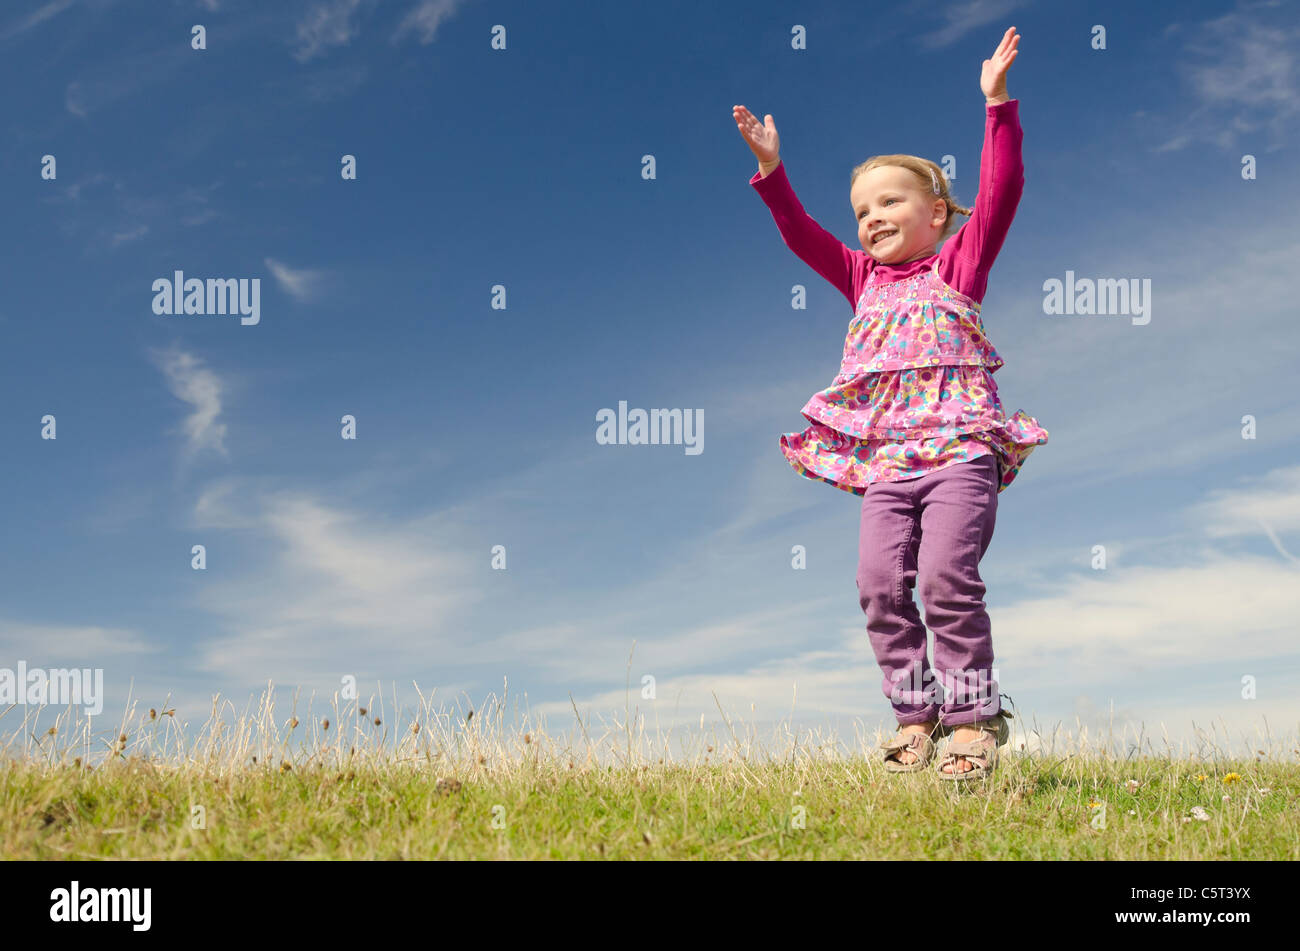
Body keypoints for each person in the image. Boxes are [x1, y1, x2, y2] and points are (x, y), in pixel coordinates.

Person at [732, 26, 1045, 781]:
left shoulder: (959, 266)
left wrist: (995, 105)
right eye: (862, 209)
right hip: (887, 466)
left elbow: (1001, 192)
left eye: (890, 201)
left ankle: (973, 721)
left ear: (936, 212)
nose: (870, 218)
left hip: (959, 453)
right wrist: (773, 173)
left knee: (945, 580)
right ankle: (915, 714)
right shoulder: (861, 279)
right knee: (878, 584)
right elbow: (803, 235)